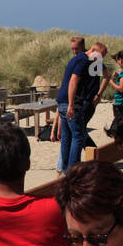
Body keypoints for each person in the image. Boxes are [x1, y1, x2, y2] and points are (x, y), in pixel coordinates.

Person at [55, 35, 92, 173]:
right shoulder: (82, 59)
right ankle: (71, 170)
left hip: (63, 101)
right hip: (72, 103)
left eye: (76, 48)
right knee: (77, 136)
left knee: (67, 136)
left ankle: (65, 168)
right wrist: (71, 104)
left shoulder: (75, 60)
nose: (74, 51)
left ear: (83, 46)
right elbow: (73, 81)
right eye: (72, 49)